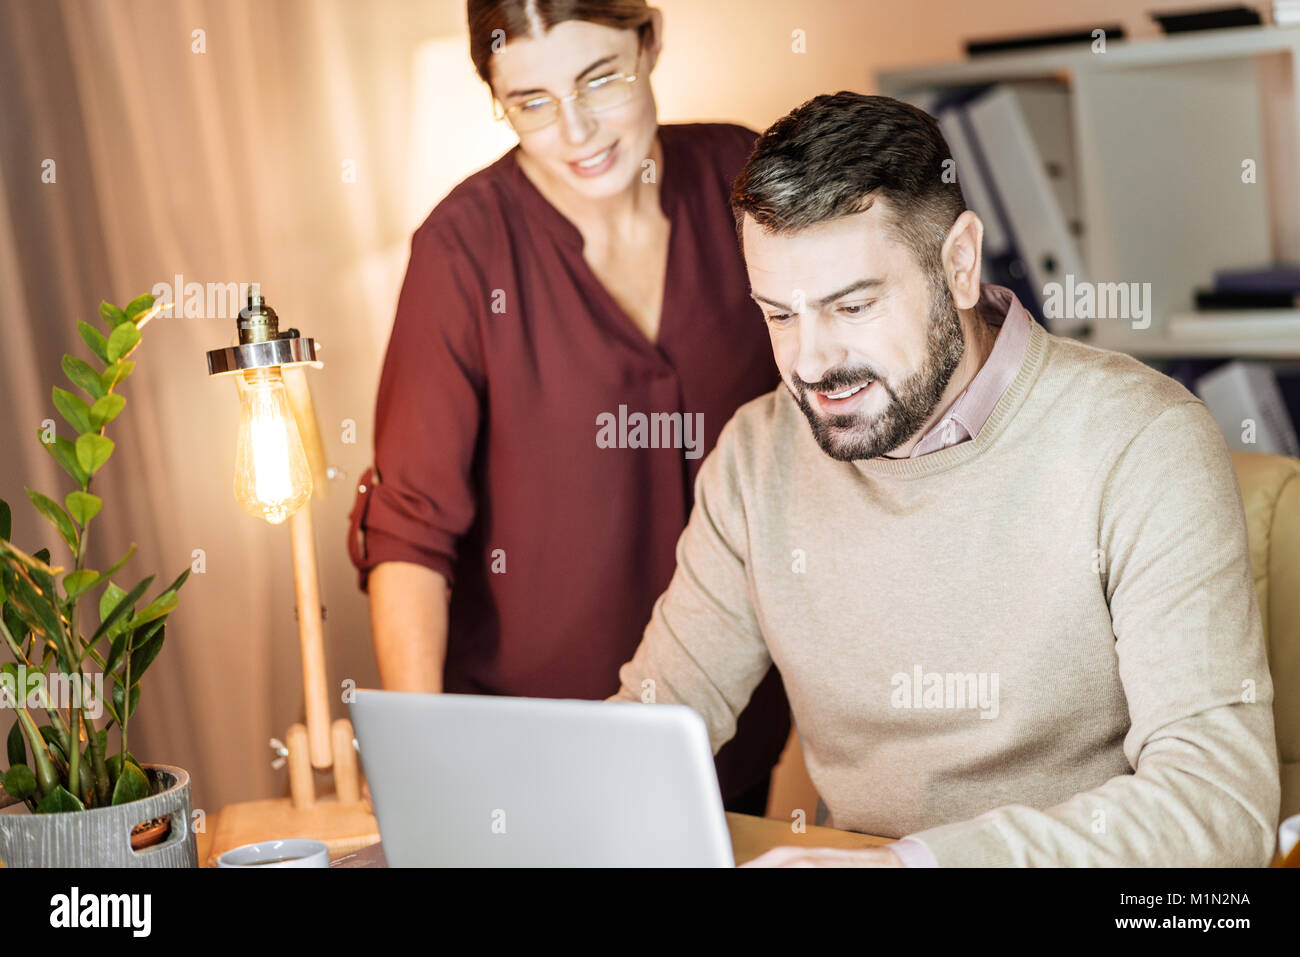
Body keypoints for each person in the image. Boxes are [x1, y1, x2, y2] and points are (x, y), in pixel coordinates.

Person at [611, 92, 1281, 866]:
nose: (811, 362)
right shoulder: (756, 458)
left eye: (852, 304)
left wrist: (915, 865)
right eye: (780, 315)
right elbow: (656, 721)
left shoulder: (1142, 440)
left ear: (959, 263)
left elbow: (1217, 801)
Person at [348, 0, 790, 813]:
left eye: (601, 79)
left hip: (727, 737)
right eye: (532, 103)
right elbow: (410, 532)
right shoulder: (460, 252)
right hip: (526, 756)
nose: (578, 130)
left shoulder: (745, 179)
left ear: (649, 41)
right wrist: (420, 772)